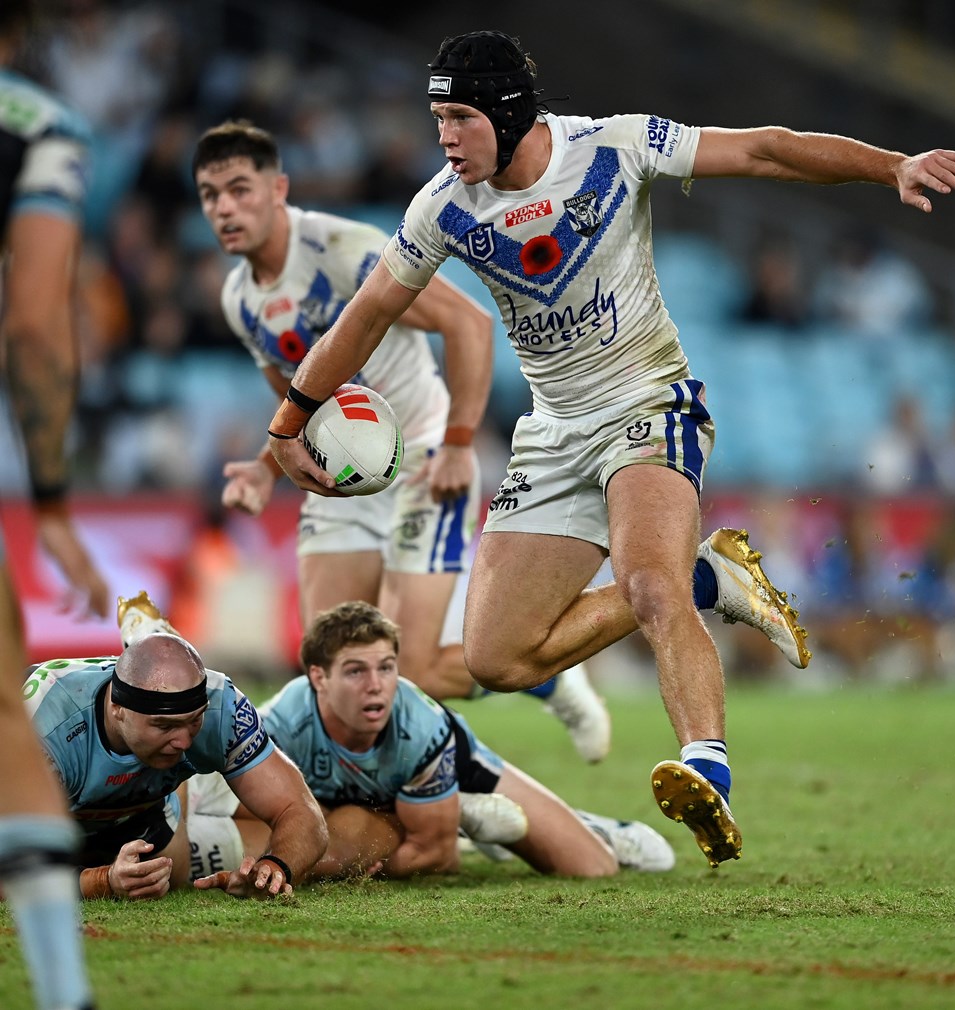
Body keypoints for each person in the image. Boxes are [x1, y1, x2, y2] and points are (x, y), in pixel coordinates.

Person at [264, 30, 955, 865]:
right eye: (437, 119)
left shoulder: (616, 144)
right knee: (497, 657)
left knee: (647, 582)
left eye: (458, 116)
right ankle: (712, 575)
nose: (444, 136)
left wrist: (888, 164)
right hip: (555, 432)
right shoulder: (444, 207)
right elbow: (368, 314)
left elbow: (765, 152)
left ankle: (706, 765)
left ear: (505, 110)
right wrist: (288, 421)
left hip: (648, 403)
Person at [191, 120, 611, 763]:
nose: (224, 207)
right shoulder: (237, 298)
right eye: (210, 195)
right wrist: (261, 468)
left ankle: (547, 681)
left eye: (239, 189)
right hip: (339, 480)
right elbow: (294, 402)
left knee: (405, 668)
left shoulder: (342, 250)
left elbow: (467, 324)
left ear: (278, 189)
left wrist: (458, 444)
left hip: (420, 462)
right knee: (331, 670)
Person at [192, 600, 674, 882]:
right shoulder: (284, 722)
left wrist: (365, 849)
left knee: (593, 868)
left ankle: (499, 818)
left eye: (386, 669)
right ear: (318, 677)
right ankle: (448, 812)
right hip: (357, 796)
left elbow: (435, 855)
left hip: (454, 773)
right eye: (356, 671)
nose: (377, 685)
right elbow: (246, 807)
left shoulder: (420, 727)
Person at [0, 3, 107, 1007]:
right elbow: (35, 325)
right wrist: (53, 497)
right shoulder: (35, 123)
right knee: (3, 713)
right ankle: (65, 997)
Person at [23, 625, 328, 902]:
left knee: (334, 844)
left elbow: (301, 811)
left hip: (144, 810)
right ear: (117, 708)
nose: (183, 742)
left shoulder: (222, 707)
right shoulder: (42, 727)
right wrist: (101, 880)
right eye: (164, 726)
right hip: (51, 821)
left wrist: (274, 870)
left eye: (194, 722)